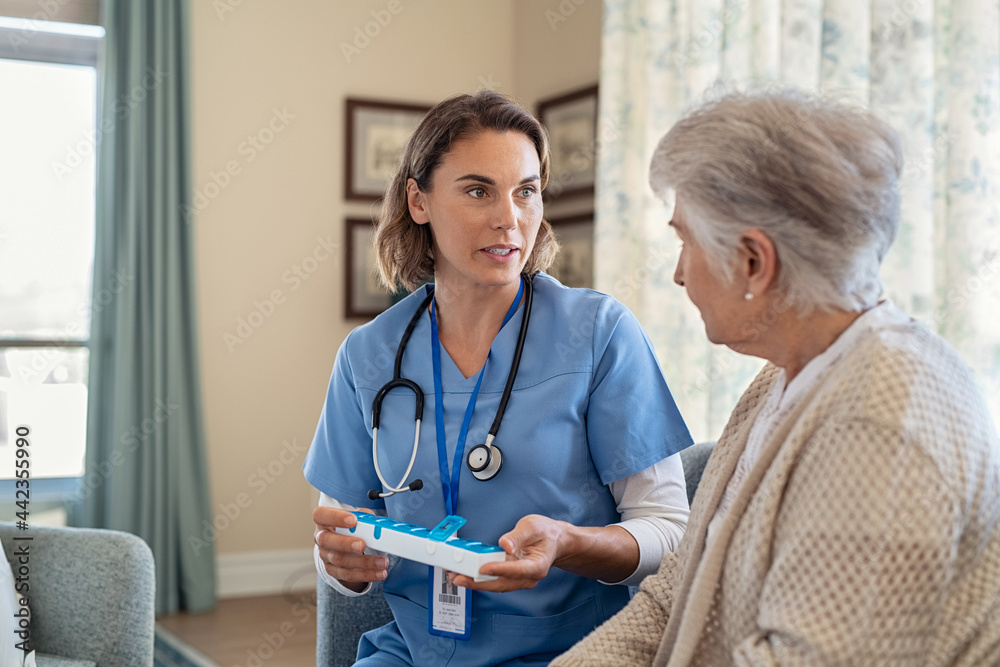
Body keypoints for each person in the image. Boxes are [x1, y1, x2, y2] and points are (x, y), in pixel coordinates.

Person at [553, 88, 1000, 666]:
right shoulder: (783, 377)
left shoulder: (881, 417)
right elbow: (673, 597)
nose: (679, 273)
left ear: (753, 262)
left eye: (685, 241)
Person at [304, 90, 694, 666]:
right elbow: (341, 532)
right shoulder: (368, 355)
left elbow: (668, 531)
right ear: (418, 200)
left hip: (571, 652)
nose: (509, 218)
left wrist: (567, 544)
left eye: (526, 191)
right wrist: (343, 564)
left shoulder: (598, 333)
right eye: (478, 191)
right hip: (417, 652)